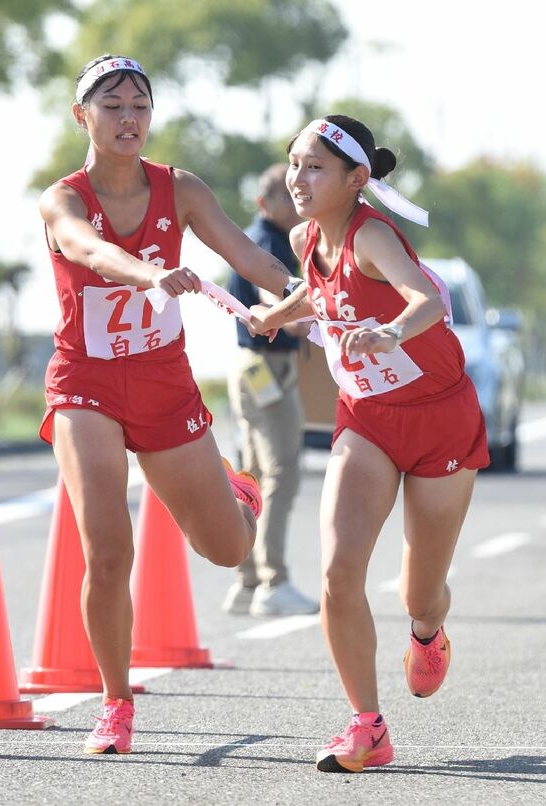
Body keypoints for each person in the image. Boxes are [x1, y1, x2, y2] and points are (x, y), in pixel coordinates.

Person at [38, 54, 298, 755]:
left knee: (227, 549)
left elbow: (254, 261)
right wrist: (153, 271)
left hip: (163, 385)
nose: (129, 118)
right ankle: (116, 704)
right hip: (85, 383)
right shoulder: (62, 198)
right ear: (83, 116)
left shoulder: (179, 189)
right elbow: (87, 250)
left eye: (140, 106)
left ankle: (236, 488)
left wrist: (302, 302)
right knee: (108, 546)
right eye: (114, 105)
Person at [248, 115, 489, 773]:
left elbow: (425, 301)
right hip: (367, 420)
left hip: (440, 419)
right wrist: (277, 313)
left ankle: (427, 632)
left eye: (315, 167)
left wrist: (390, 333)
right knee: (338, 570)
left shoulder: (373, 235)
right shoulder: (306, 239)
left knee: (420, 591)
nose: (298, 177)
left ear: (357, 179)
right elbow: (317, 293)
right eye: (294, 163)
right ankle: (368, 725)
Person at [223, 164, 319, 617]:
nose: (299, 195)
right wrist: (312, 320)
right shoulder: (267, 244)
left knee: (256, 475)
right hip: (266, 369)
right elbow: (269, 305)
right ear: (266, 203)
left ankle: (247, 581)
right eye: (288, 192)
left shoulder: (264, 239)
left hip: (256, 368)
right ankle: (272, 582)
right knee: (282, 474)